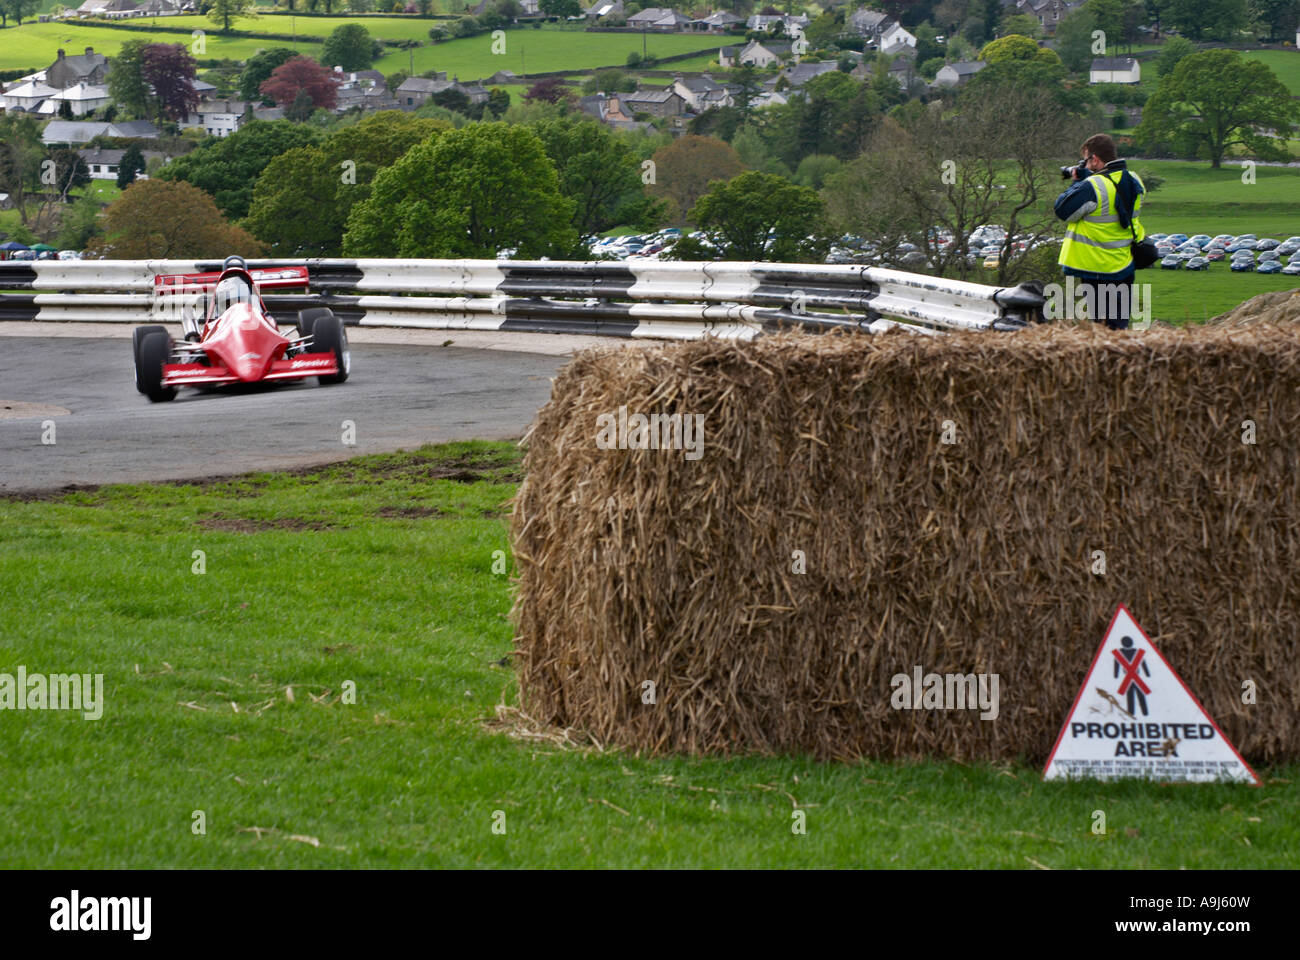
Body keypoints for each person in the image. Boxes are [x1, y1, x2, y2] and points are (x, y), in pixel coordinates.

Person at [1054, 134, 1146, 330]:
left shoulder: (1093, 186)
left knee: (1103, 327)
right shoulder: (1133, 179)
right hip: (1124, 262)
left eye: (1086, 160)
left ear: (1095, 159)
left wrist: (1077, 182)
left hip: (1097, 266)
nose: (1085, 165)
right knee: (1118, 325)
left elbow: (1063, 210)